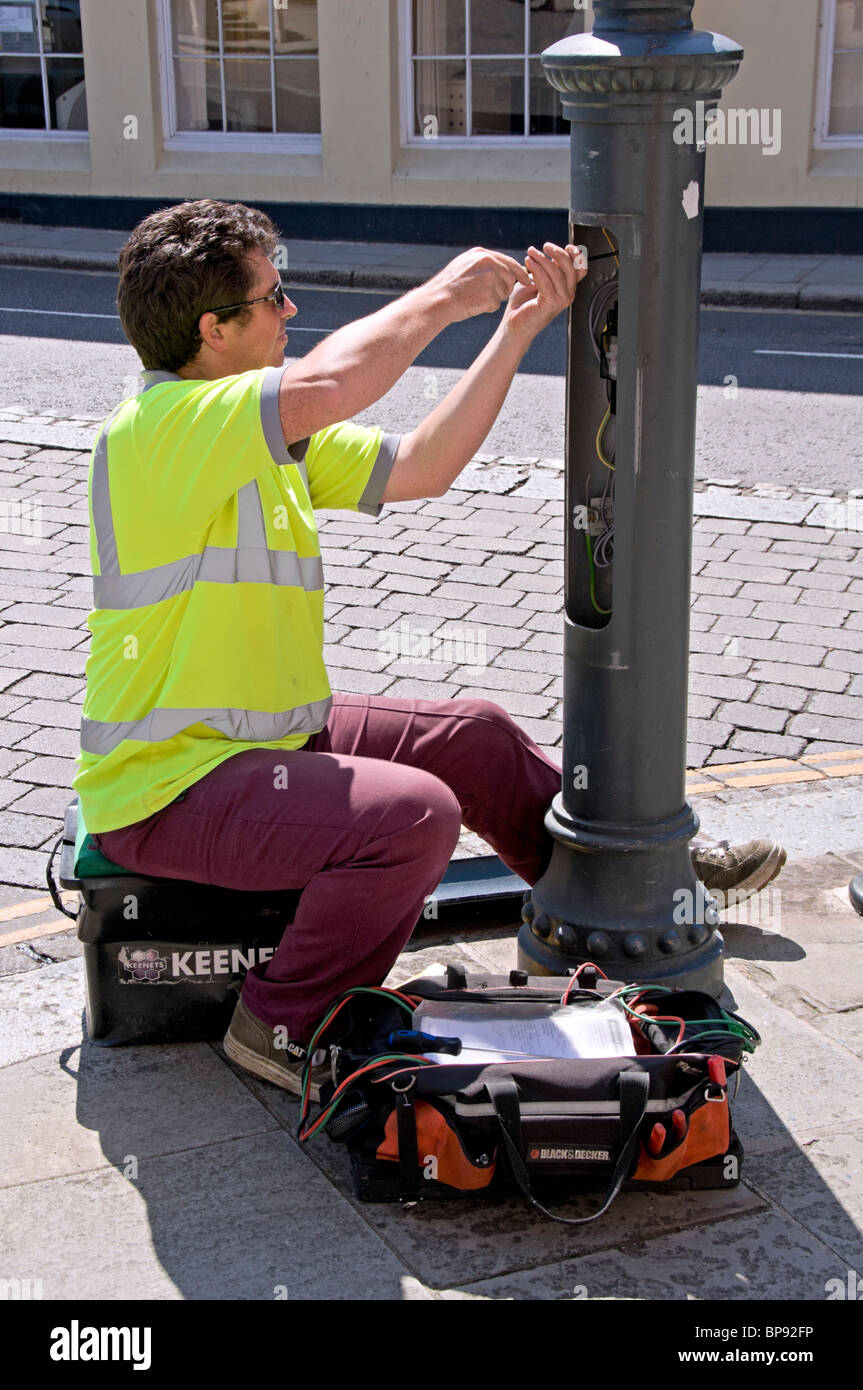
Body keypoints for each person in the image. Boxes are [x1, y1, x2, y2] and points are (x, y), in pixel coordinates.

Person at [75, 199, 785, 1101]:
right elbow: (334, 382)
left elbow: (422, 466)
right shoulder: (162, 429)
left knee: (475, 736)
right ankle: (281, 1025)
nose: (291, 311)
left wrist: (515, 328)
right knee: (411, 816)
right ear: (214, 329)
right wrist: (445, 296)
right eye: (274, 295)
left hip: (262, 746)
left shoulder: (254, 436)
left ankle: (626, 895)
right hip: (167, 787)